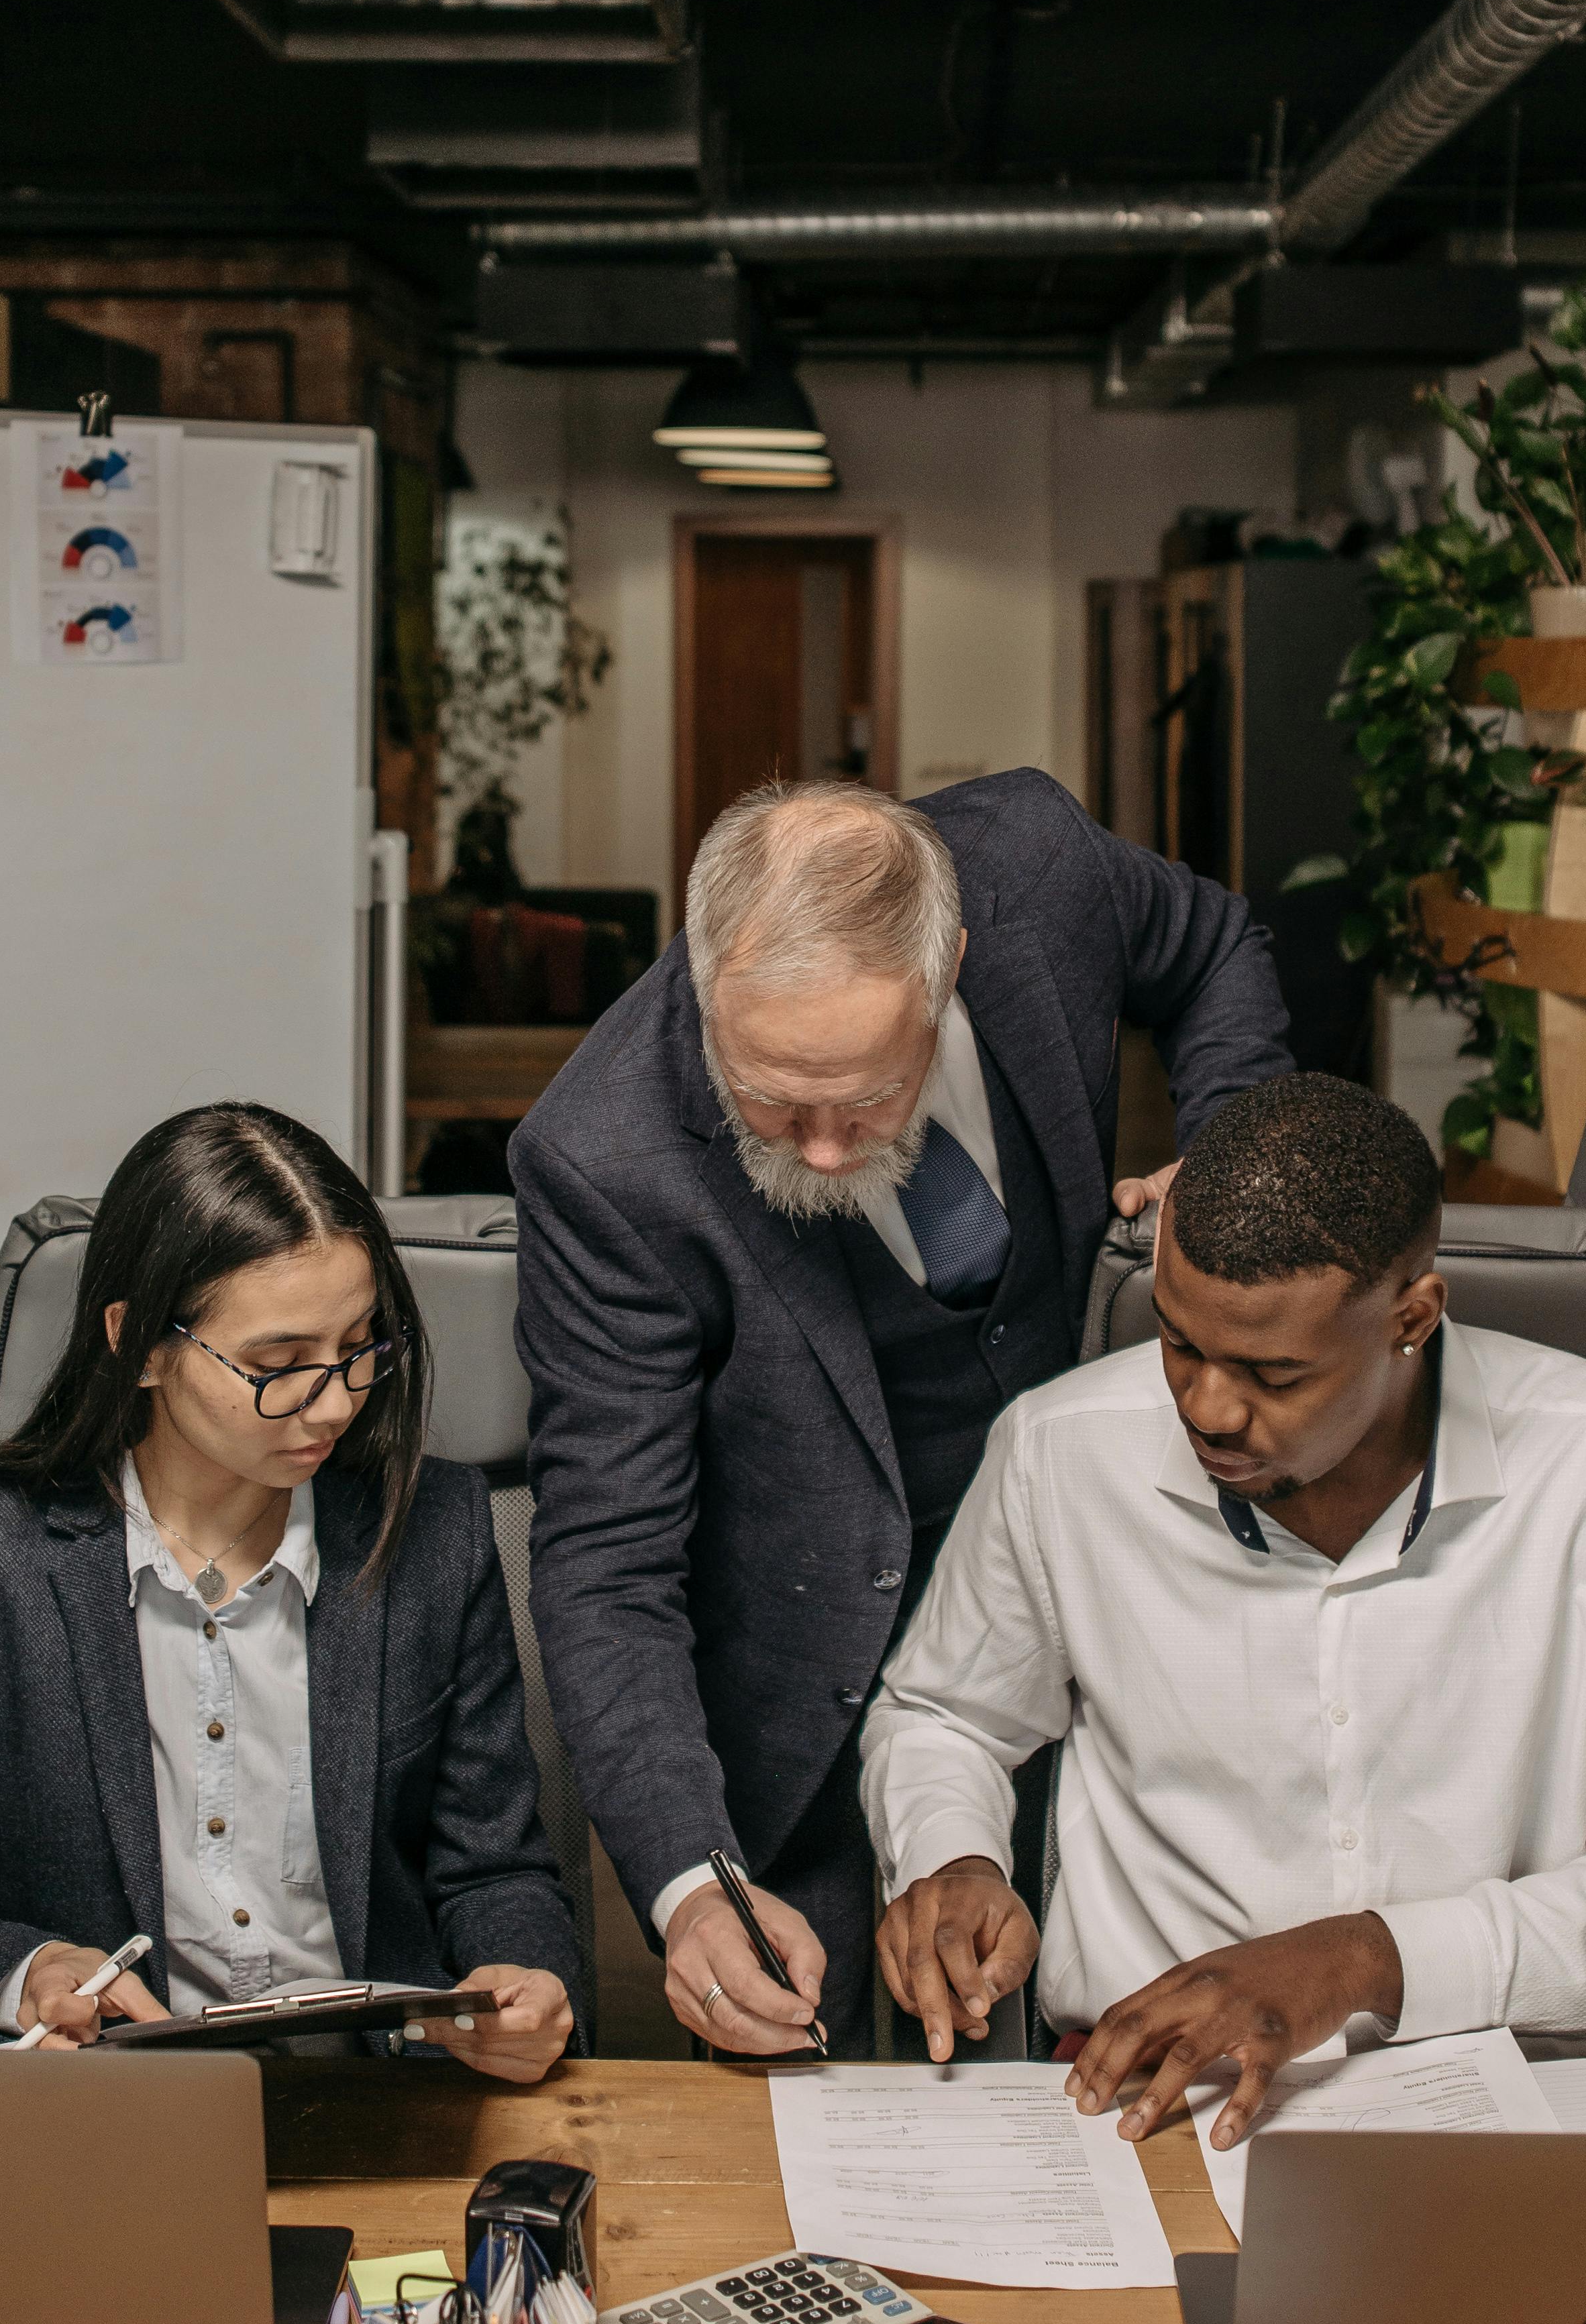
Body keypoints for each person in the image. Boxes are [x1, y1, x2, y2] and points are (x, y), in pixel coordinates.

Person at [862, 1072, 1586, 2148]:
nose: (1207, 1408)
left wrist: (1369, 1958)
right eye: (1179, 1342)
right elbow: (945, 1718)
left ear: (1413, 1319)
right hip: (1151, 2109)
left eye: (1273, 1372)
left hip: (1523, 2110)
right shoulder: (1060, 1451)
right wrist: (956, 1858)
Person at [513, 769, 1290, 2058]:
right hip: (799, 1682)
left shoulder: (1037, 871)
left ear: (952, 974)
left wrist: (1225, 1153)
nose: (820, 1147)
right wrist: (690, 1883)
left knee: (1099, 2046)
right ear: (708, 986)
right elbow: (606, 1559)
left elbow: (1214, 945)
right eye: (767, 1098)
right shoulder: (601, 1156)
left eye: (867, 1099)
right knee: (794, 2083)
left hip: (1097, 1607)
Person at [0, 1101, 584, 2062]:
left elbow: (493, 1873)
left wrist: (524, 1978)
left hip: (386, 2100)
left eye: (362, 1345)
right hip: (112, 2117)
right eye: (278, 1364)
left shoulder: (433, 1532)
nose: (335, 1400)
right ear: (142, 1344)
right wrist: (17, 1973)